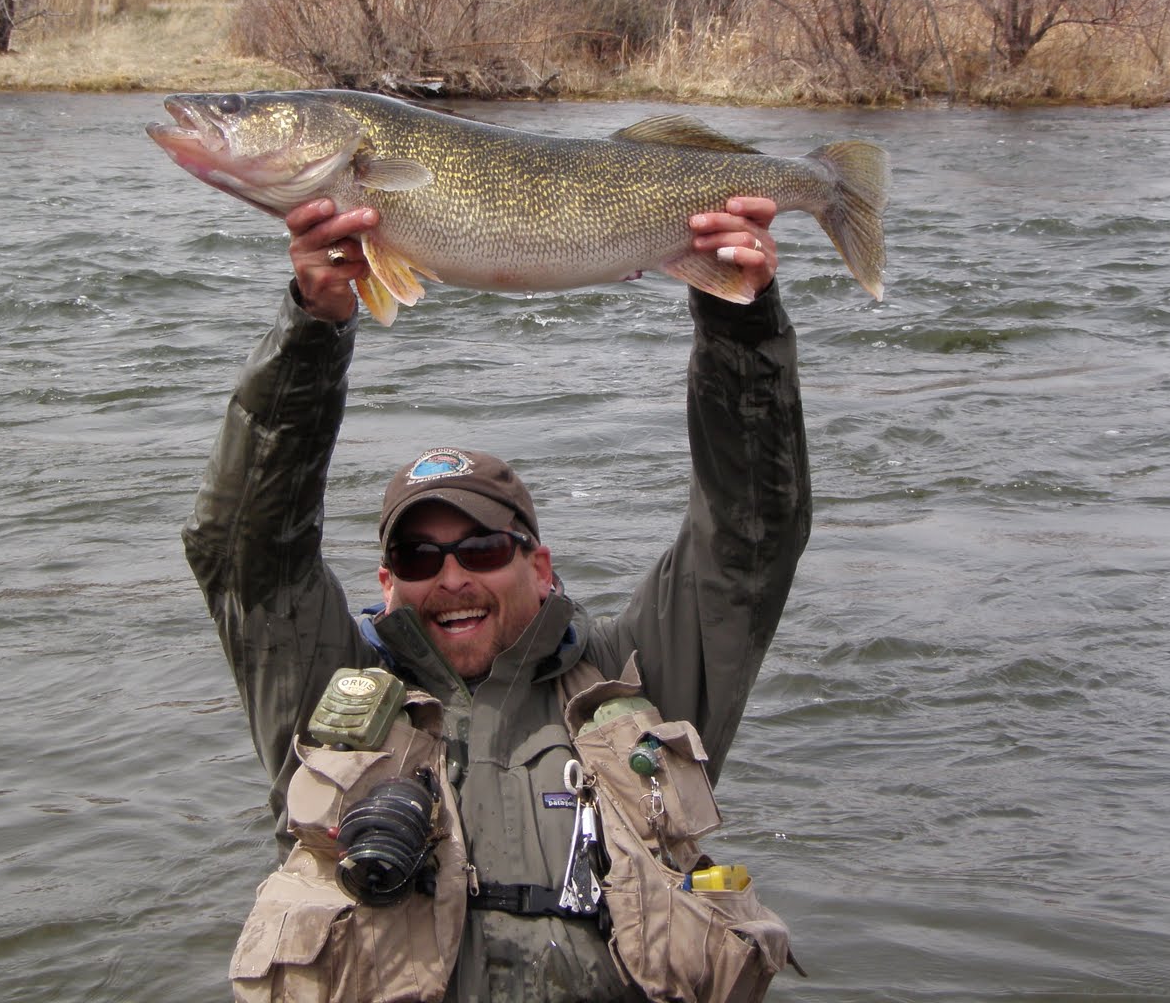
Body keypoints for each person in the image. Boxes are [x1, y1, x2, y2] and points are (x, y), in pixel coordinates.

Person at [184, 194, 812, 1002]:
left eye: (481, 548)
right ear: (387, 583)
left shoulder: (636, 674)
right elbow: (244, 550)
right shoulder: (326, 691)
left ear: (540, 566)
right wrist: (313, 326)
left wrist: (740, 324)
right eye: (417, 555)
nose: (450, 577)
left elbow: (751, 536)